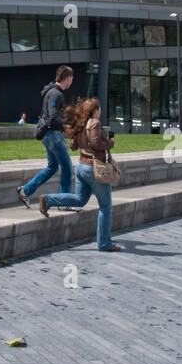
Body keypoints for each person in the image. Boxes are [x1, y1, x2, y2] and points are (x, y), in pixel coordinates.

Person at [37, 97, 120, 252]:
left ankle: (47, 200)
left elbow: (73, 146)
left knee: (79, 199)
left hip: (81, 166)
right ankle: (104, 244)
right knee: (105, 206)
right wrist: (110, 143)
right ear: (94, 110)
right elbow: (96, 143)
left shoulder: (81, 125)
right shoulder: (94, 123)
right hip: (93, 168)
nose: (100, 111)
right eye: (99, 108)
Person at [18, 66, 74, 207]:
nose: (72, 82)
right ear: (67, 78)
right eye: (71, 79)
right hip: (53, 135)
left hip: (48, 136)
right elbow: (53, 117)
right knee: (67, 168)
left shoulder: (51, 91)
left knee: (53, 167)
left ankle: (25, 191)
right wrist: (65, 126)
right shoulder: (56, 94)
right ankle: (64, 202)